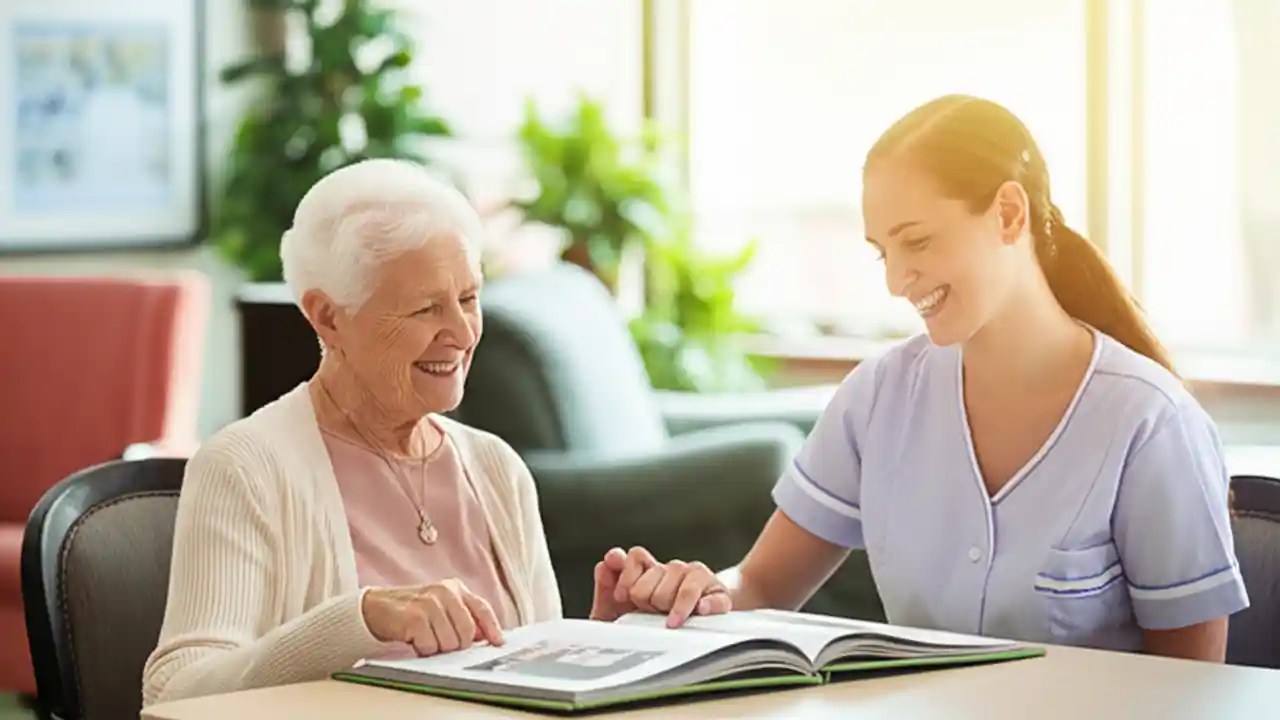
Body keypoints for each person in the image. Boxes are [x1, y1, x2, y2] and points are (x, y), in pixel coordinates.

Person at [593, 94, 1249, 662]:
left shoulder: (1149, 423)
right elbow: (760, 587)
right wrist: (699, 592)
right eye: (883, 251)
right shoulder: (879, 397)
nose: (894, 280)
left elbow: (1189, 692)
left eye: (918, 242)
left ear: (1010, 215)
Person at [143, 159, 563, 705]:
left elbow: (542, 674)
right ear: (328, 317)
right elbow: (173, 695)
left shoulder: (496, 467)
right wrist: (359, 619)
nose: (462, 333)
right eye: (425, 308)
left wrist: (627, 627)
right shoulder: (245, 465)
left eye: (468, 298)